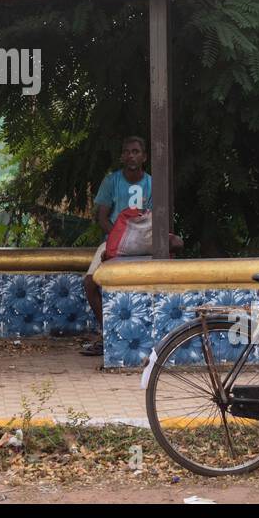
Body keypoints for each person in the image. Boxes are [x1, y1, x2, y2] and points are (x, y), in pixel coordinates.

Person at [81, 135, 181, 356]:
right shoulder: (112, 181)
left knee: (175, 248)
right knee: (90, 283)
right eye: (127, 152)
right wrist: (120, 239)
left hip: (145, 241)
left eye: (136, 151)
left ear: (144, 157)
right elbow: (103, 217)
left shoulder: (152, 183)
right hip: (116, 241)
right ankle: (108, 334)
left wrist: (141, 239)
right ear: (121, 156)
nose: (131, 156)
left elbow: (158, 219)